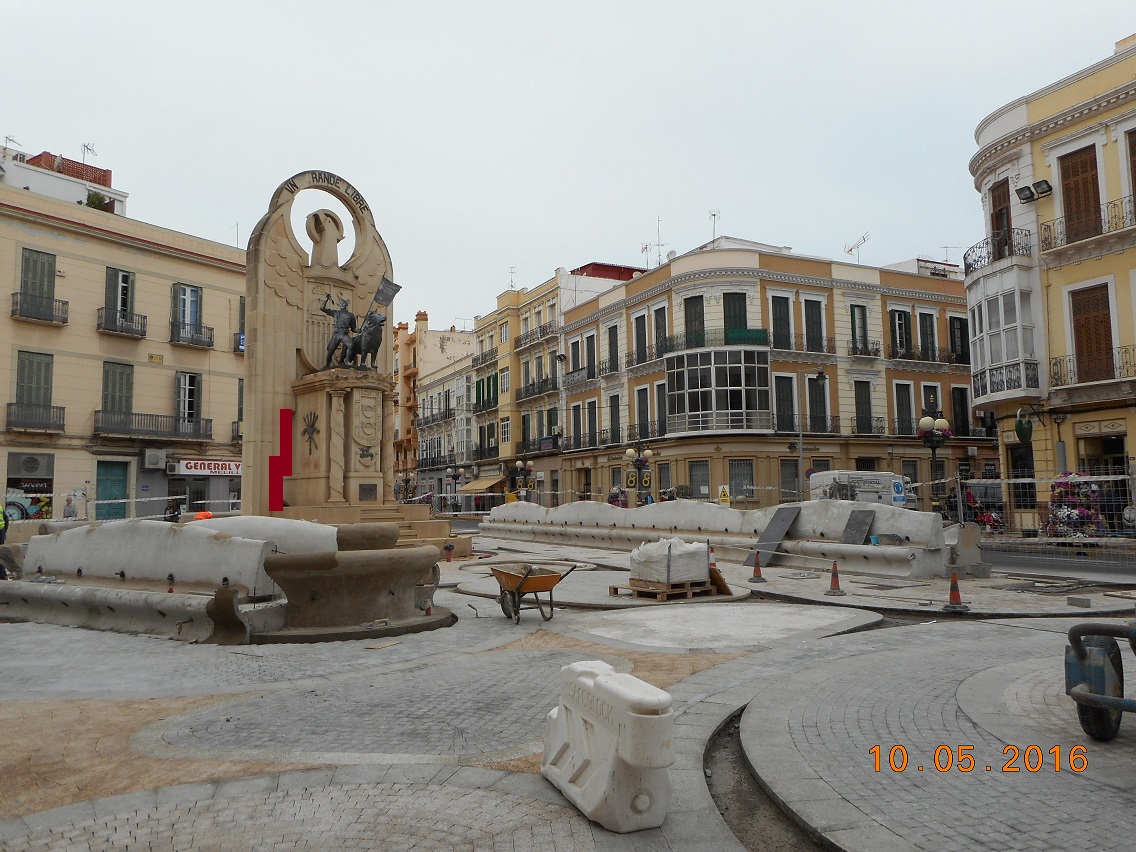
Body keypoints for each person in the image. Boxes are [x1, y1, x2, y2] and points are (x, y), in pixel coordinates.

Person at [321, 293, 357, 369]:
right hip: (336, 334)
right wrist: (326, 299)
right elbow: (322, 308)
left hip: (344, 334)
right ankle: (327, 365)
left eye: (343, 303)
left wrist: (359, 331)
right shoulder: (335, 313)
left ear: (345, 305)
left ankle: (347, 361)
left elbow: (353, 328)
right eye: (340, 303)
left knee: (350, 345)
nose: (341, 304)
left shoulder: (351, 315)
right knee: (330, 351)